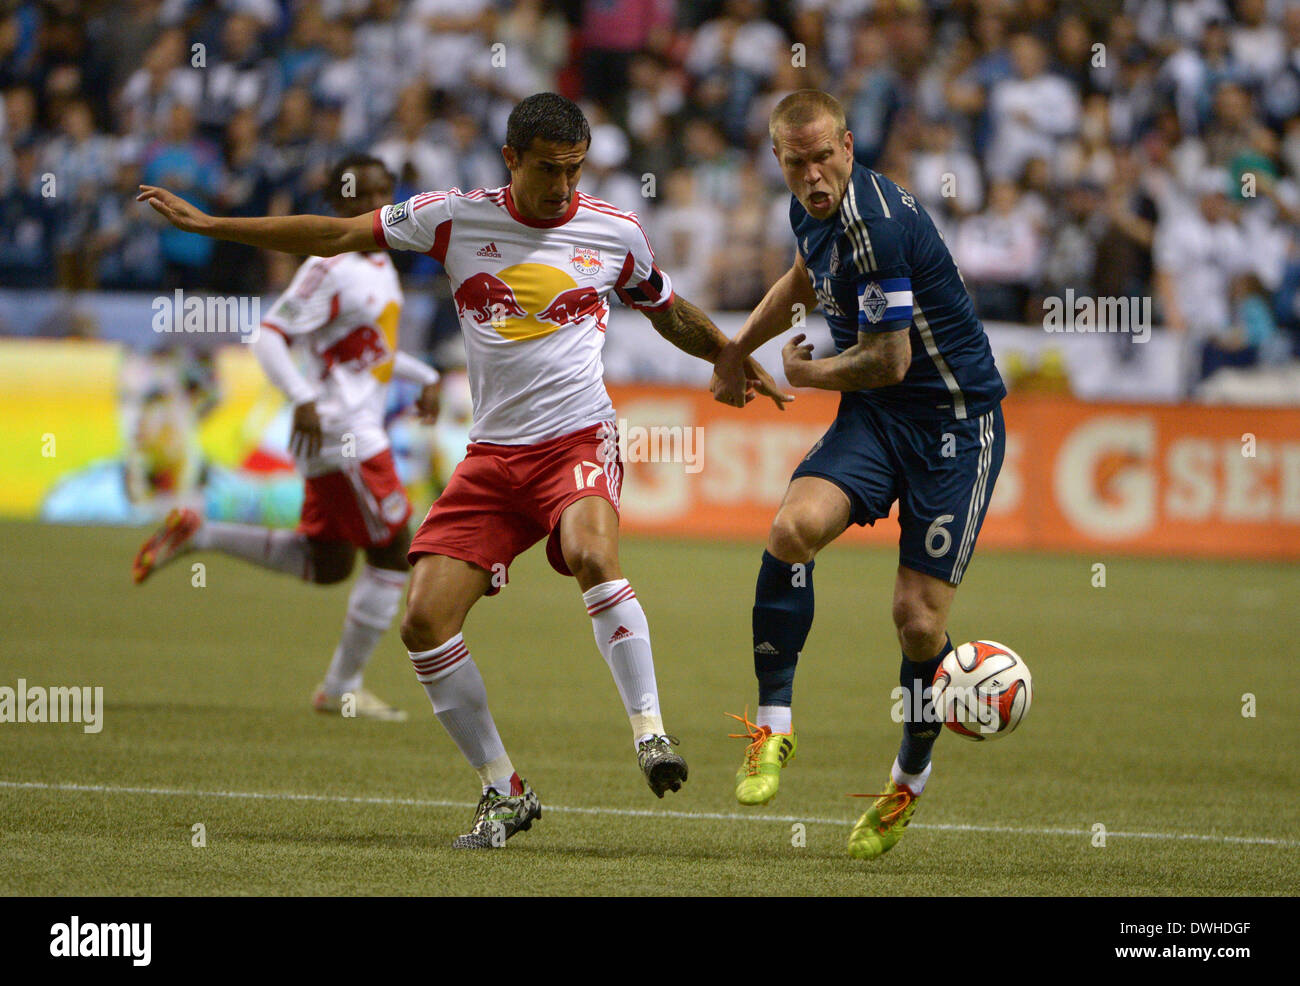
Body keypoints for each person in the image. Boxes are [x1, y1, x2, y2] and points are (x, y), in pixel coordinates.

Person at [137, 92, 787, 850]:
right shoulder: (451, 217)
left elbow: (667, 308)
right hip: (491, 458)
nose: (563, 186)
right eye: (549, 170)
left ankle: (650, 732)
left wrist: (732, 356)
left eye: (574, 169)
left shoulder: (614, 232)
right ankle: (503, 791)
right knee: (422, 620)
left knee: (590, 552)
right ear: (511, 159)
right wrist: (217, 225)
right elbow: (339, 232)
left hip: (576, 438)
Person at [711, 90, 1007, 860]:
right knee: (791, 529)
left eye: (823, 157)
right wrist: (737, 349)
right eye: (795, 162)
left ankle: (908, 780)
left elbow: (890, 358)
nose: (813, 176)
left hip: (953, 425)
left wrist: (803, 378)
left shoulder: (877, 223)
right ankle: (773, 730)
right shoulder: (809, 213)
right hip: (879, 419)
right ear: (777, 160)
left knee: (917, 623)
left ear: (847, 144)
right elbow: (806, 281)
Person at [132, 154, 441, 723]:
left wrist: (423, 376)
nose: (380, 206)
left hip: (342, 426)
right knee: (395, 548)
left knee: (328, 563)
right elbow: (268, 336)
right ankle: (341, 687)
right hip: (340, 428)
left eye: (386, 193)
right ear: (338, 204)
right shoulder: (330, 265)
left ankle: (201, 533)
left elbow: (367, 352)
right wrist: (301, 398)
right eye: (365, 196)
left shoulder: (379, 262)